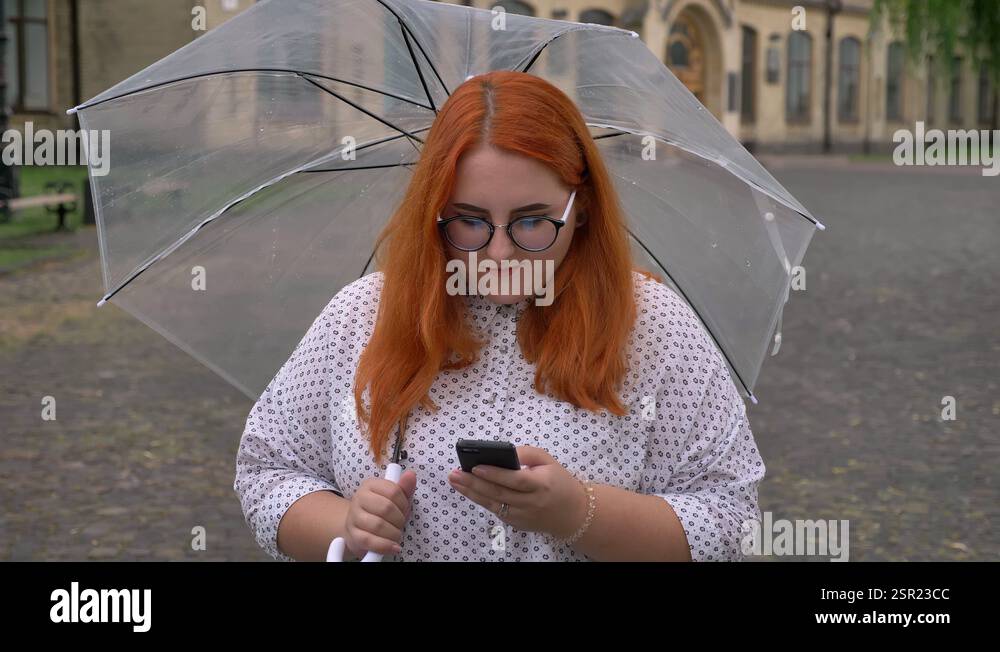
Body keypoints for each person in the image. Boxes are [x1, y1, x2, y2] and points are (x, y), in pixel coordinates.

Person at [233, 70, 765, 562]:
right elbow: (268, 469)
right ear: (433, 211)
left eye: (532, 222)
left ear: (580, 209)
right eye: (469, 221)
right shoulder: (362, 315)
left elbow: (730, 516)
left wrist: (579, 514)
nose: (499, 258)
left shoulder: (650, 327)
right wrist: (344, 525)